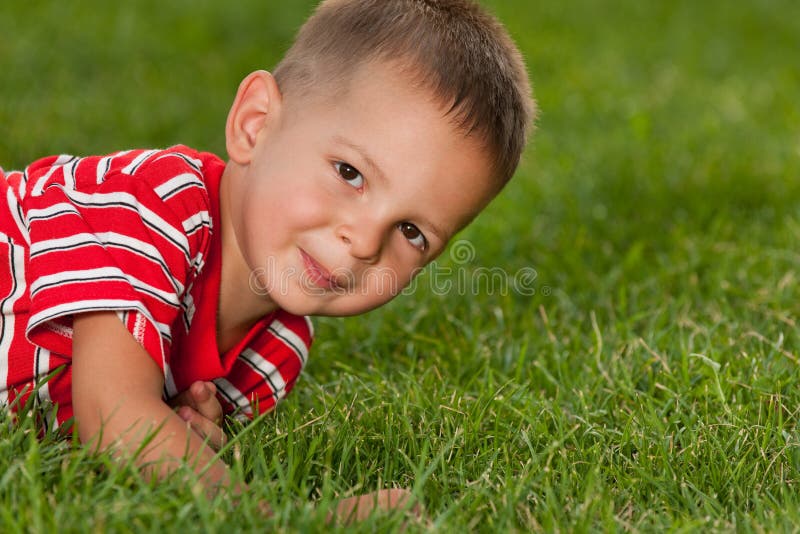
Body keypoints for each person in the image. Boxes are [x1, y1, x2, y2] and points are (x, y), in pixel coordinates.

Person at [0, 0, 534, 519]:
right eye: (350, 173)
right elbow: (111, 418)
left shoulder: (277, 350)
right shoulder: (153, 206)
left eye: (412, 232)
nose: (366, 241)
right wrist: (283, 517)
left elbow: (122, 451)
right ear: (255, 125)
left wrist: (185, 429)